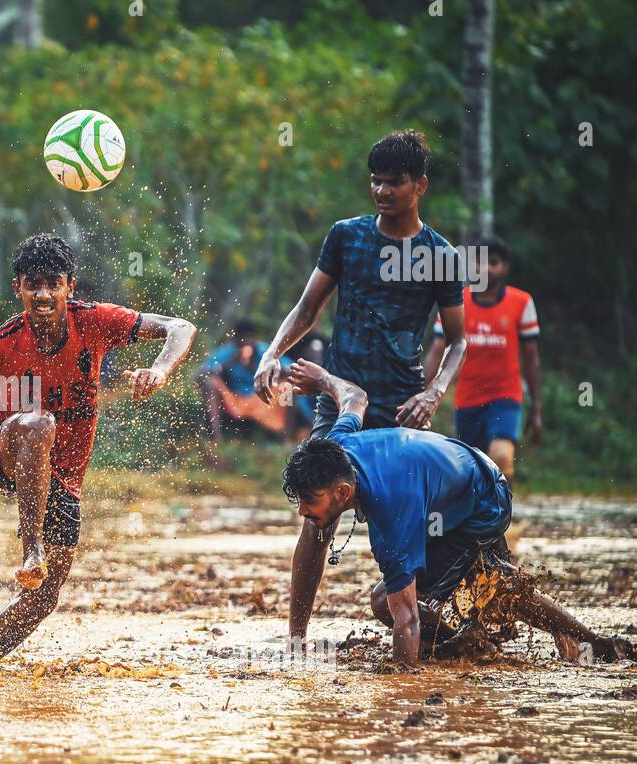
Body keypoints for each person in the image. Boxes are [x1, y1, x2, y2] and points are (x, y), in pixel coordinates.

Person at [0, 233, 196, 669]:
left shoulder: (97, 321)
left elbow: (181, 327)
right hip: (5, 451)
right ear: (19, 289)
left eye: (53, 283)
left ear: (71, 286)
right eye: (33, 284)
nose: (43, 294)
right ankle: (31, 546)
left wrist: (159, 370)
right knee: (38, 422)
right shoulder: (2, 341)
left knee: (44, 596)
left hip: (63, 477)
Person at [250, 130, 470, 646]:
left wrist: (435, 392)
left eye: (394, 182)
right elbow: (307, 309)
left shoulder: (441, 255)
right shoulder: (346, 237)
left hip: (402, 409)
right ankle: (297, 639)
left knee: (415, 522)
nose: (382, 191)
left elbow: (458, 341)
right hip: (341, 402)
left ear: (421, 185)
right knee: (316, 515)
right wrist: (271, 353)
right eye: (375, 181)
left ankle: (436, 622)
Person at [281, 358, 630, 668]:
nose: (302, 512)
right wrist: (324, 378)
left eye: (309, 503)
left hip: (481, 502)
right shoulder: (339, 447)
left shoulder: (391, 509)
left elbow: (406, 619)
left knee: (388, 601)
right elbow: (355, 397)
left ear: (342, 492)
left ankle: (470, 643)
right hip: (459, 485)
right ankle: (588, 641)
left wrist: (401, 687)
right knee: (493, 584)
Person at [424, 236, 541, 486]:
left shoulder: (521, 303)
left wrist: (536, 408)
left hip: (505, 397)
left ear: (505, 267)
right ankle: (481, 520)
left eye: (494, 262)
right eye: (479, 262)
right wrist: (420, 394)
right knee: (470, 468)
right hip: (467, 399)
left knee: (500, 456)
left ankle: (503, 513)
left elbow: (532, 359)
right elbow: (436, 351)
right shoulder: (456, 302)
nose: (486, 268)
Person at [196, 319, 293, 441]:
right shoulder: (228, 352)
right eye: (242, 339)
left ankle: (285, 438)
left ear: (255, 339)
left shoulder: (265, 352)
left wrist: (273, 369)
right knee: (210, 382)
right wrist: (227, 364)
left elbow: (291, 368)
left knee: (287, 385)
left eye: (249, 338)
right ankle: (215, 439)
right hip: (234, 400)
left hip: (263, 399)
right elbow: (201, 374)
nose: (245, 342)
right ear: (235, 339)